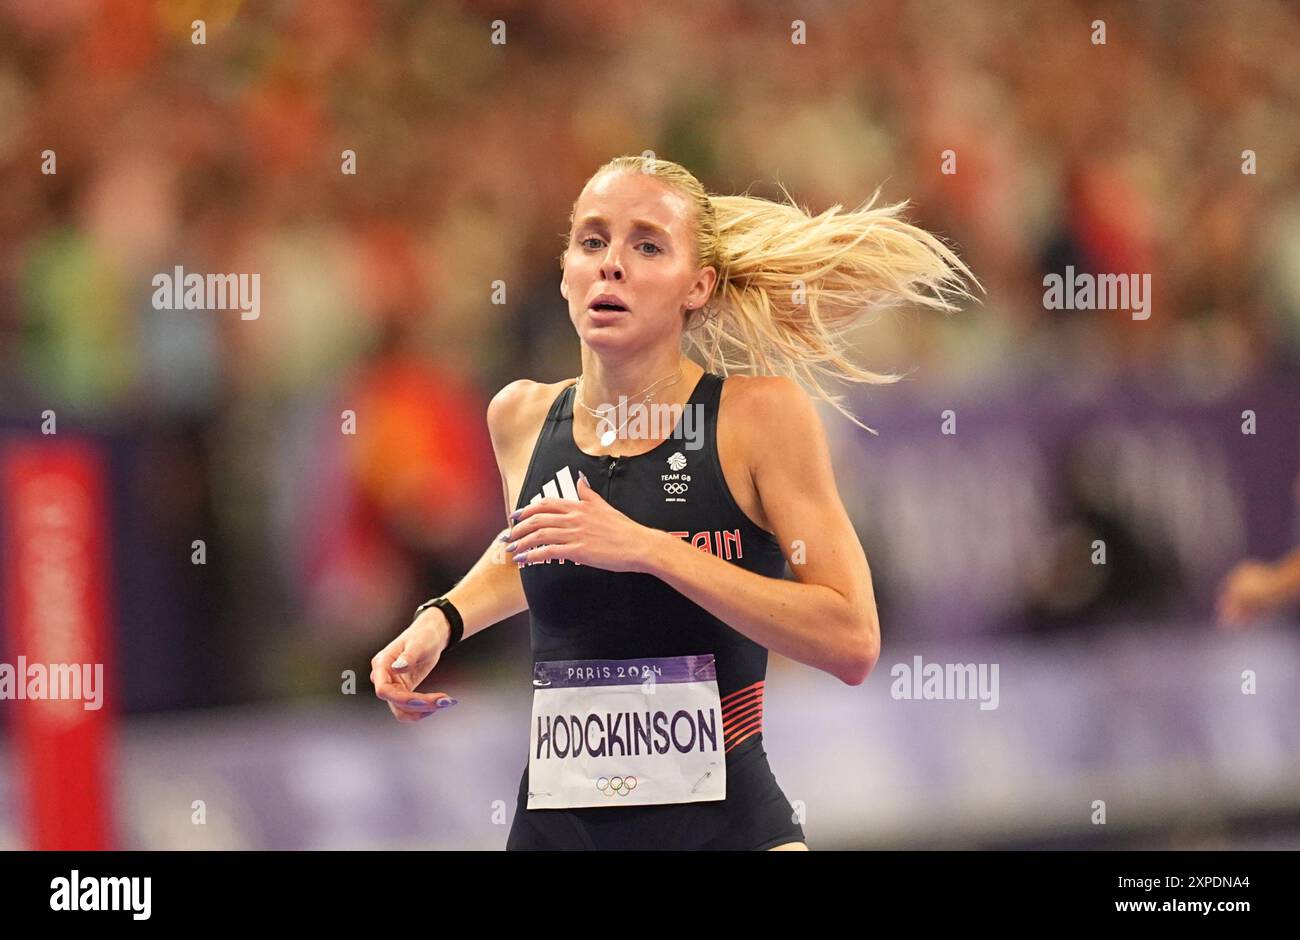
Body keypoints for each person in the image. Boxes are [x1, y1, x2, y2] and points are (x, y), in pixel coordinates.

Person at [370, 154, 978, 850]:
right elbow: (541, 544)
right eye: (592, 241)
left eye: (647, 245)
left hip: (726, 829)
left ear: (698, 285)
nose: (612, 265)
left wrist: (649, 550)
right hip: (558, 829)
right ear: (565, 269)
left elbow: (852, 640)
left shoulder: (757, 418)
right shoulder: (521, 417)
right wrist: (442, 619)